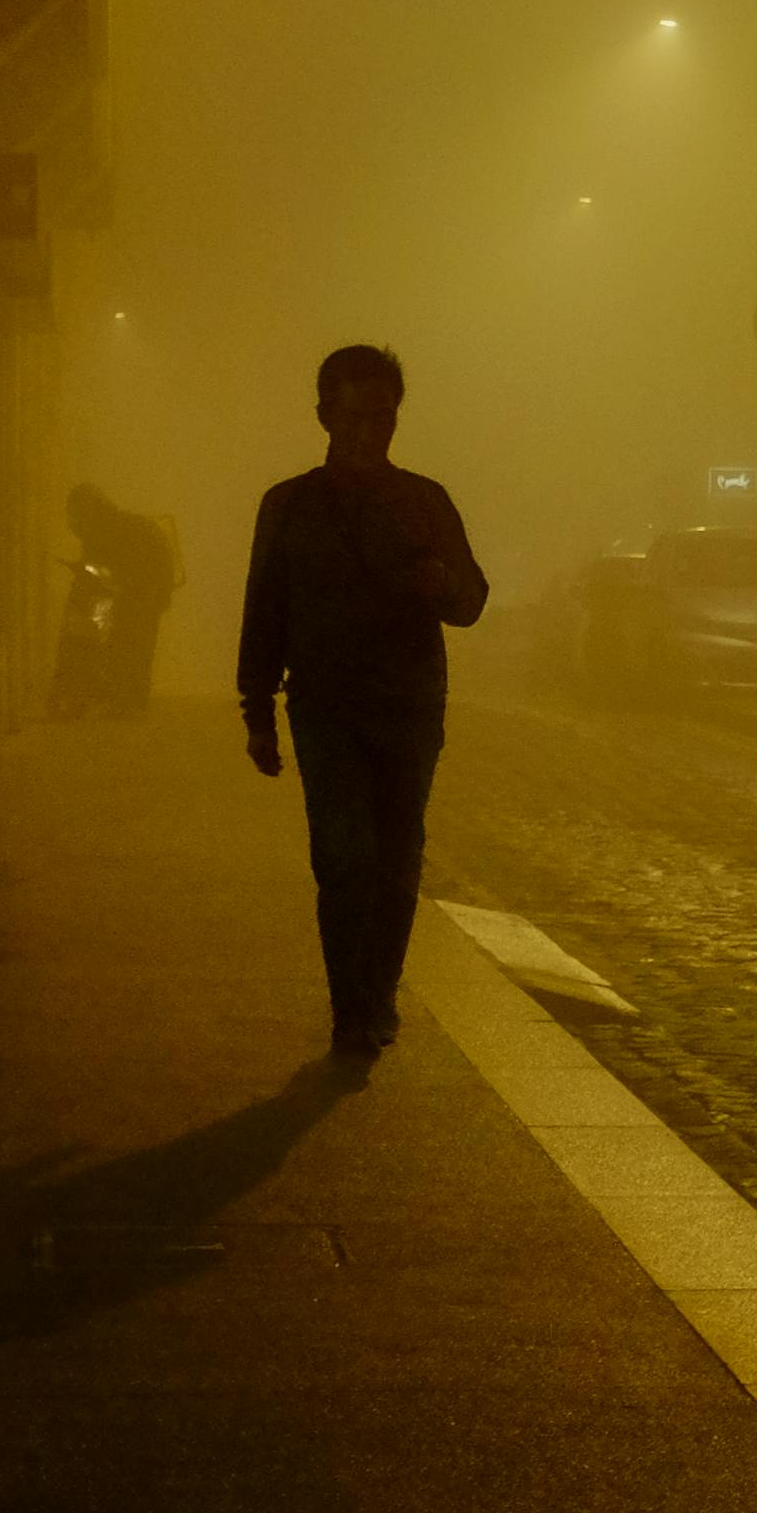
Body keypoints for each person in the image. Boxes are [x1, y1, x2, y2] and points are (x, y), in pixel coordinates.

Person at [236, 345, 490, 1058]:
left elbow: (471, 601)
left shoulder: (424, 500)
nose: (369, 434)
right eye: (355, 418)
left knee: (397, 859)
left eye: (382, 419)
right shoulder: (289, 506)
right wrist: (256, 709)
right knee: (344, 857)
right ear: (324, 415)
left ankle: (378, 998)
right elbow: (265, 609)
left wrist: (441, 582)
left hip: (409, 707)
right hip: (324, 707)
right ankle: (352, 1008)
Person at [62, 485, 180, 713]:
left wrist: (87, 577)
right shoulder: (126, 526)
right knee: (133, 649)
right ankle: (127, 701)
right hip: (139, 599)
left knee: (128, 648)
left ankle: (126, 702)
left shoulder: (108, 531)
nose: (74, 523)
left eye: (76, 514)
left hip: (136, 600)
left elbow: (102, 570)